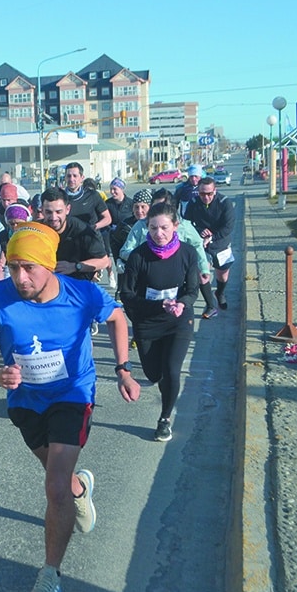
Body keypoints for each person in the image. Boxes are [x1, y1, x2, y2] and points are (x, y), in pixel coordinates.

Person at [0, 221, 140, 592]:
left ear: (49, 265)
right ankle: (81, 488)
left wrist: (123, 370)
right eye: (13, 267)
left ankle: (50, 575)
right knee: (59, 478)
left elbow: (118, 319)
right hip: (25, 401)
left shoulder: (82, 295)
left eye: (29, 267)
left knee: (53, 484)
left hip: (72, 395)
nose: (20, 277)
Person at [120, 202, 200, 442]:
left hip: (178, 320)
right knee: (155, 374)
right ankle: (165, 386)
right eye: (153, 228)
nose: (159, 233)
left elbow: (193, 288)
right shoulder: (138, 256)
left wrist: (183, 303)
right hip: (148, 321)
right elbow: (127, 295)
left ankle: (164, 420)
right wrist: (157, 305)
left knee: (172, 370)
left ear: (175, 226)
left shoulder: (187, 253)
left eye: (164, 227)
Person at [184, 177, 235, 318]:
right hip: (201, 242)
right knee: (203, 273)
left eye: (209, 194)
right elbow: (187, 223)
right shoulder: (193, 203)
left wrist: (212, 237)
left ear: (215, 191)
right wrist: (200, 231)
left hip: (220, 241)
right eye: (202, 194)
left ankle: (220, 292)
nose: (205, 197)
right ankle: (211, 305)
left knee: (222, 274)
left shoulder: (225, 203)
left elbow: (228, 226)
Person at [38, 188, 110, 282]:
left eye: (58, 212)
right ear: (42, 210)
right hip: (47, 284)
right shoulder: (36, 230)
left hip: (77, 284)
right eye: (48, 212)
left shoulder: (82, 230)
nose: (53, 217)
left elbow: (104, 261)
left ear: (67, 209)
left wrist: (75, 266)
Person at [0, 201, 33, 282]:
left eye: (19, 223)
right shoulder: (3, 237)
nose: (15, 227)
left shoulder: (34, 237)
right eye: (12, 223)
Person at [62, 162, 112, 232]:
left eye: (75, 176)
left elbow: (107, 218)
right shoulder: (60, 197)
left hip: (90, 238)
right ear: (65, 177)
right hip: (68, 238)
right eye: (69, 176)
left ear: (82, 178)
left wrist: (94, 227)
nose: (71, 179)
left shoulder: (93, 195)